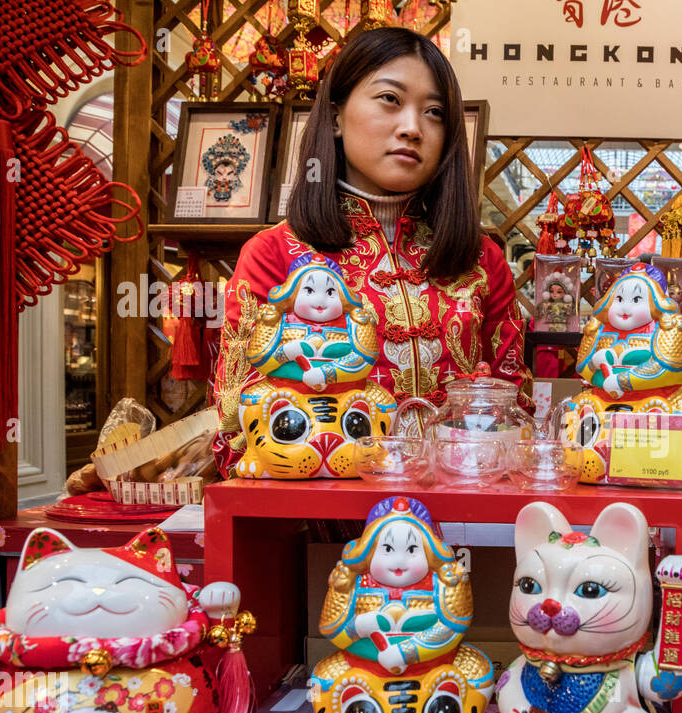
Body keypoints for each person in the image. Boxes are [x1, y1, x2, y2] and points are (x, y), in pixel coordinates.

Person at [213, 27, 528, 473]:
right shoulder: (275, 254)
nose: (412, 128)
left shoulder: (481, 260)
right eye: (390, 99)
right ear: (337, 116)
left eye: (435, 111)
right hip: (322, 521)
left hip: (465, 518)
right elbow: (237, 425)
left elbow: (517, 412)